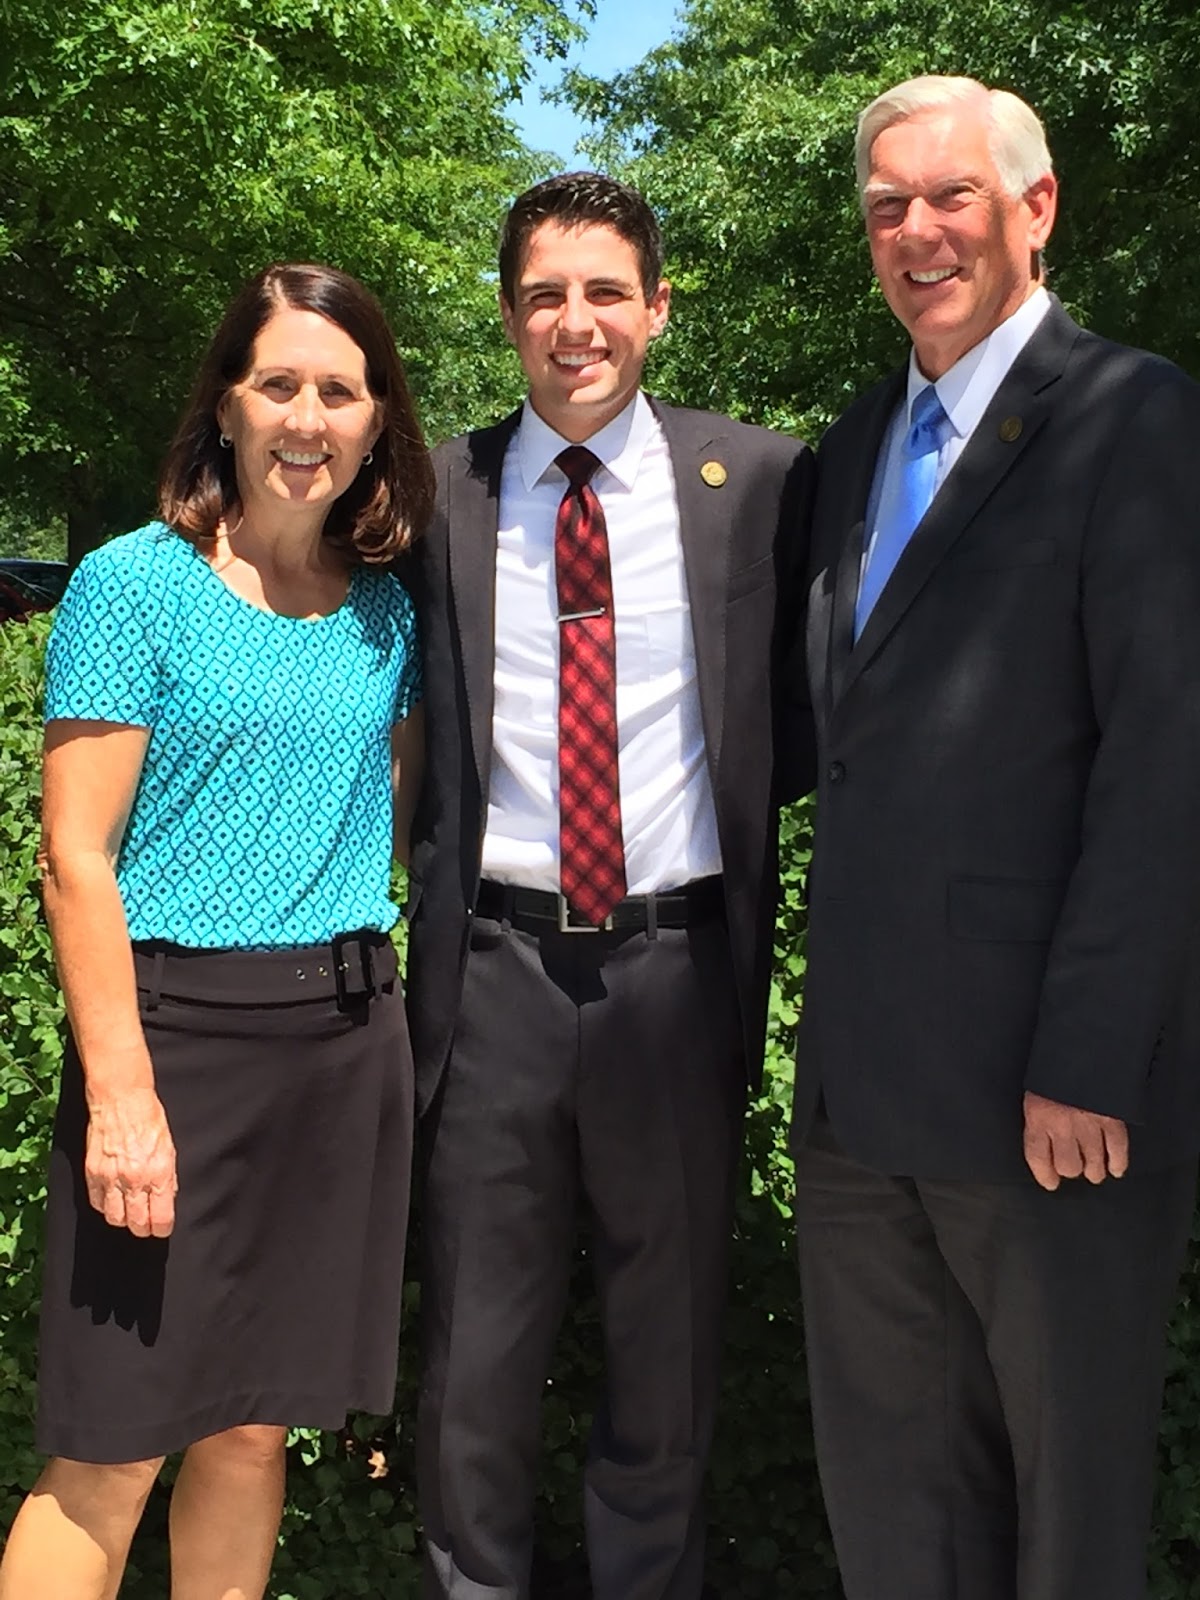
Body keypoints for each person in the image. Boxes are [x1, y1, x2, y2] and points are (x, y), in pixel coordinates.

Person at [794, 74, 1200, 1600]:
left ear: (1036, 209)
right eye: (887, 205)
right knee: (895, 1521)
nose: (917, 231)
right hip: (862, 1104)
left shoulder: (1136, 419)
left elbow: (1164, 763)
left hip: (1051, 1105)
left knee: (1063, 1529)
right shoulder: (853, 446)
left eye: (950, 196)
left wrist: (1091, 1056)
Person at [404, 171, 812, 1600]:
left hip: (675, 976)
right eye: (543, 296)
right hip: (494, 978)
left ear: (658, 306)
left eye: (603, 292)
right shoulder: (435, 493)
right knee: (474, 1356)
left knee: (667, 1352)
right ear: (508, 313)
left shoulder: (763, 483)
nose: (573, 323)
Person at [0, 262, 433, 1600]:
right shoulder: (133, 585)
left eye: (339, 392)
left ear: (377, 419)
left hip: (342, 1050)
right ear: (227, 404)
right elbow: (74, 858)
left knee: (252, 1427)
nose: (307, 418)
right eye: (278, 384)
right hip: (174, 1052)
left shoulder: (390, 608)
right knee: (111, 1448)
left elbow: (399, 821)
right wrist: (121, 1097)